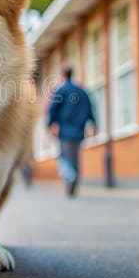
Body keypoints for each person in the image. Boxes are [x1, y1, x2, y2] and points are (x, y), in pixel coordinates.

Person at [47, 64, 95, 197]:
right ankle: (74, 185)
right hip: (79, 131)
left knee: (64, 158)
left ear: (63, 74)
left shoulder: (60, 91)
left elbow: (53, 110)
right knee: (75, 159)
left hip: (65, 132)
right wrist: (93, 124)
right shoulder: (82, 91)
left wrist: (51, 124)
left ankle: (70, 177)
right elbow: (90, 108)